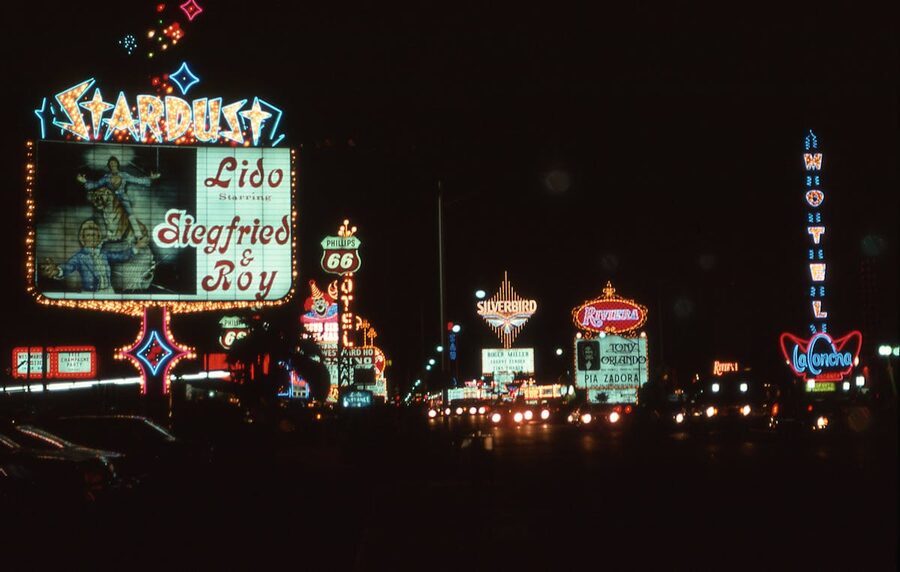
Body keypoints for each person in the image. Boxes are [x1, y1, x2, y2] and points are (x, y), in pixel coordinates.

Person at [39, 220, 148, 294]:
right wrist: (57, 271)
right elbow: (68, 267)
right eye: (89, 235)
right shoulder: (80, 257)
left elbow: (122, 256)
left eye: (95, 235)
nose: (93, 238)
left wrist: (137, 247)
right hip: (90, 294)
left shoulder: (104, 253)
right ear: (83, 238)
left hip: (109, 292)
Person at [77, 155, 159, 240]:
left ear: (117, 164)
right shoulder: (106, 177)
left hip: (122, 197)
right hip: (112, 198)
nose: (113, 165)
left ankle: (138, 233)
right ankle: (110, 234)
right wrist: (85, 181)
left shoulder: (124, 175)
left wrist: (150, 178)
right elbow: (96, 184)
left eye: (114, 163)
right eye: (111, 164)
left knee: (130, 212)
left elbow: (137, 180)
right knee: (107, 215)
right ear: (109, 166)